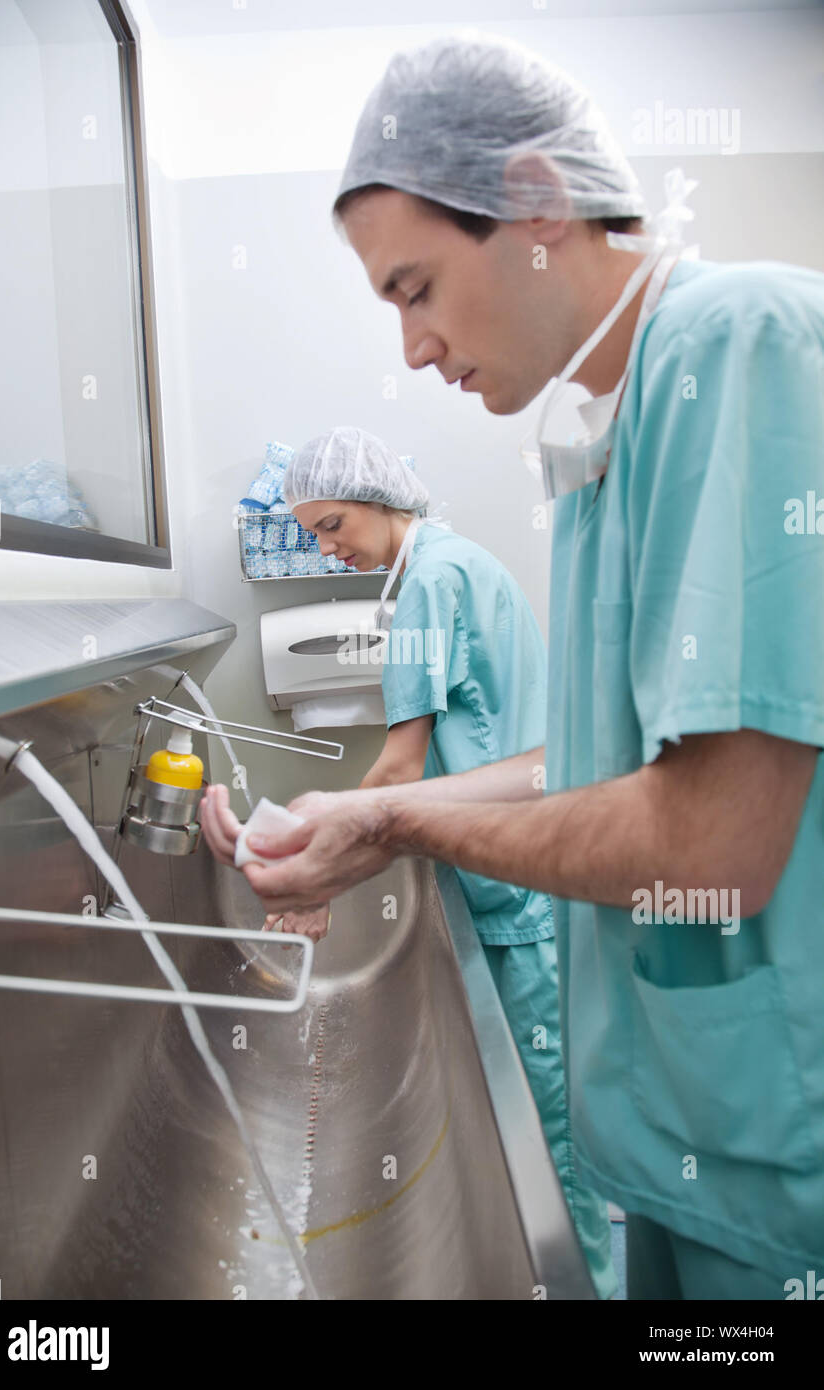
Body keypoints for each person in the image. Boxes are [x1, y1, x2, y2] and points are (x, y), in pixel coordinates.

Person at [203, 34, 824, 1298]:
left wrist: (394, 812)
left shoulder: (735, 345)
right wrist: (371, 816)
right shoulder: (593, 453)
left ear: (536, 201)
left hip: (770, 1169)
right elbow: (575, 770)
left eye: (416, 287)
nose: (415, 349)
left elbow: (705, 843)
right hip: (672, 1136)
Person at [203, 423, 618, 1299]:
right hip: (523, 872)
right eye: (315, 532)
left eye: (333, 525)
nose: (329, 548)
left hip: (511, 890)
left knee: (550, 1138)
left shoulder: (429, 582)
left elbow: (399, 768)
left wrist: (310, 877)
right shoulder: (460, 564)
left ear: (382, 500)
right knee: (562, 1124)